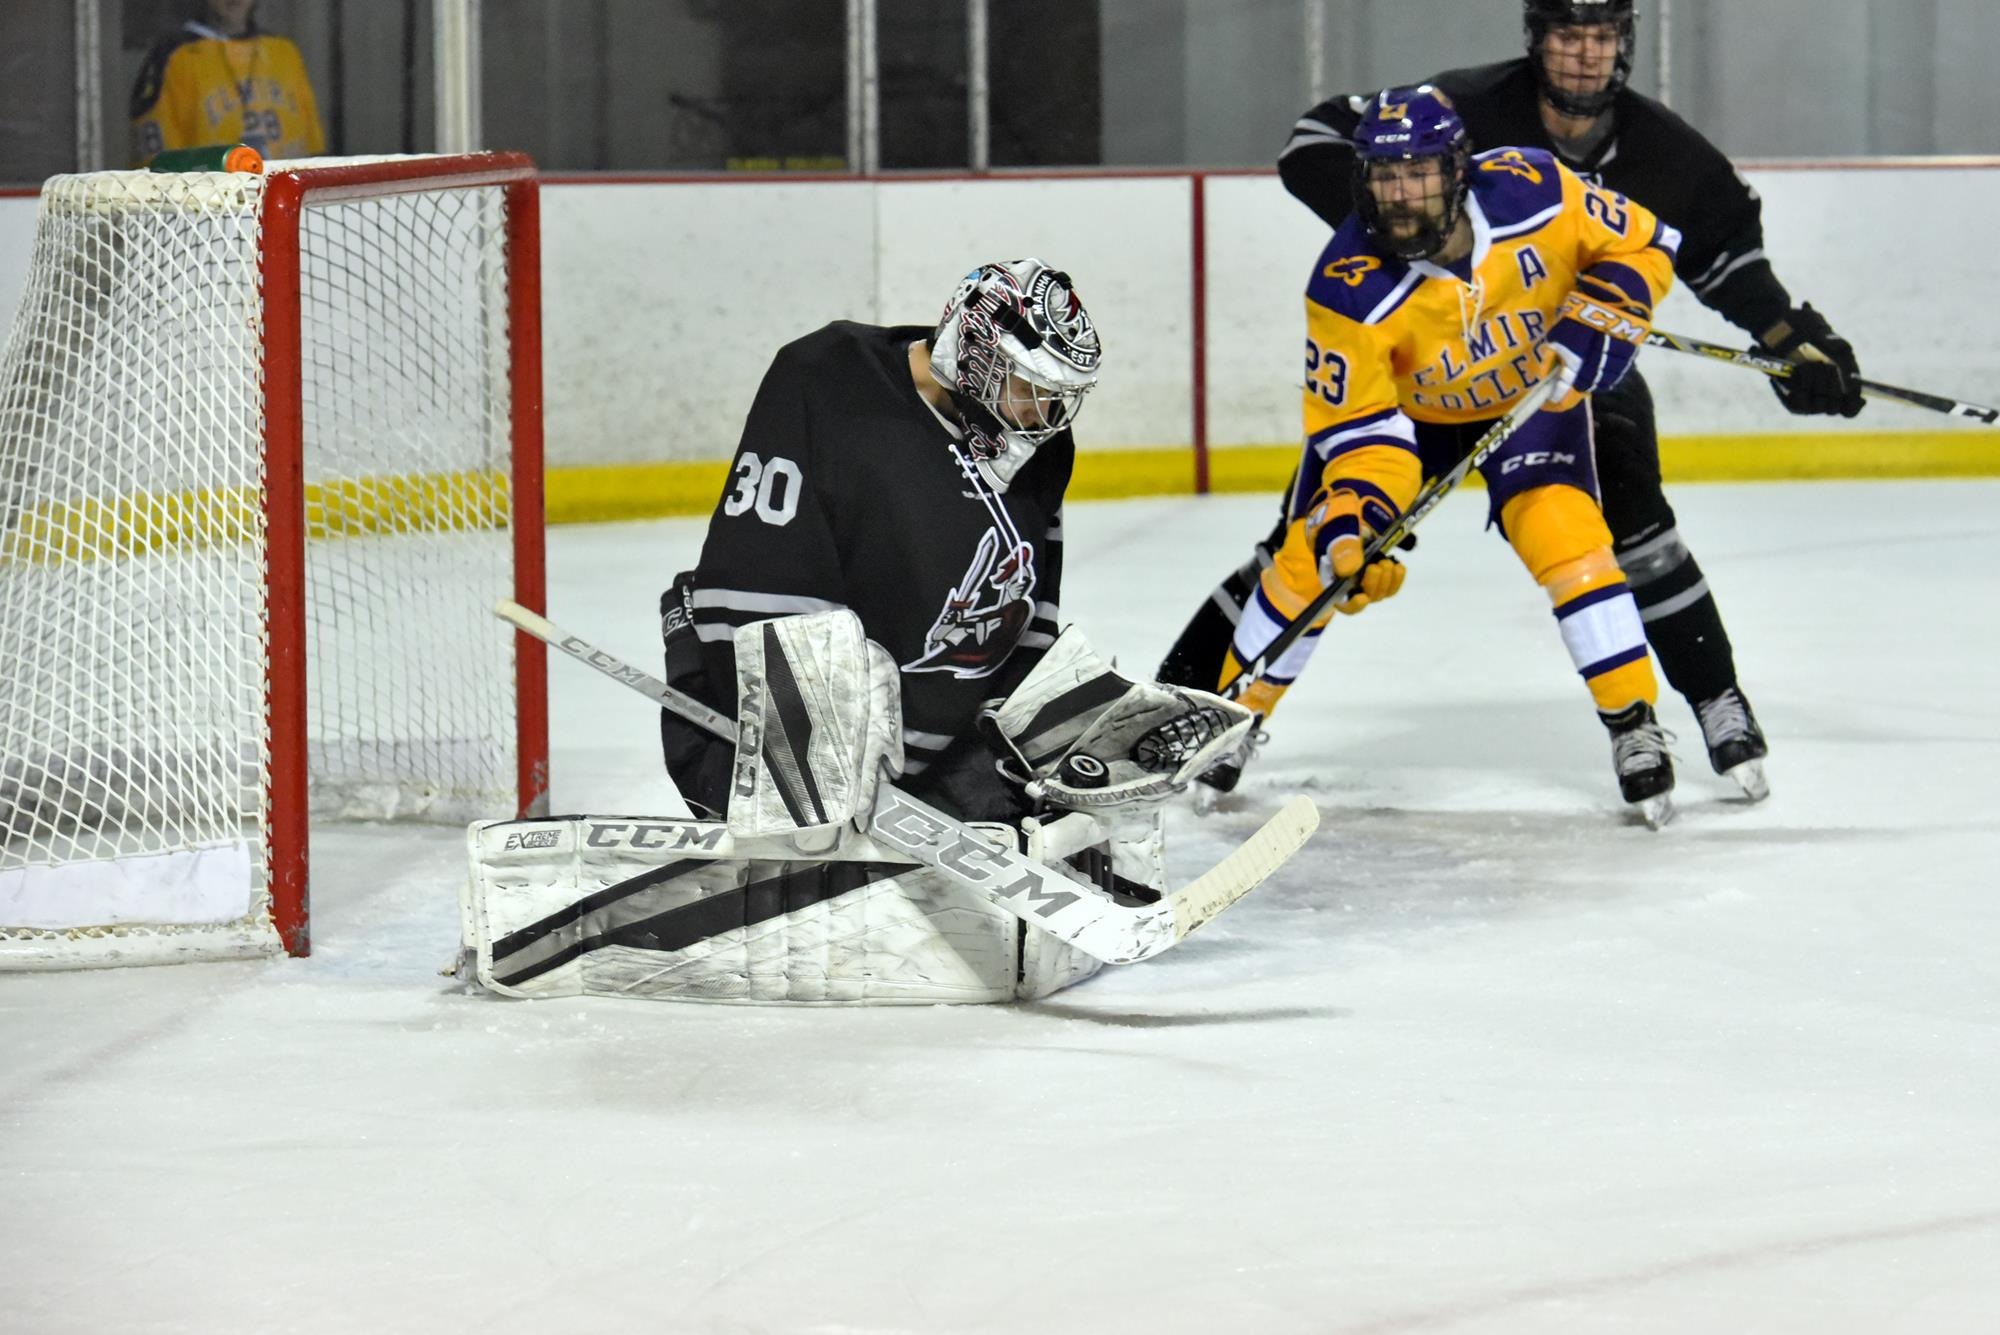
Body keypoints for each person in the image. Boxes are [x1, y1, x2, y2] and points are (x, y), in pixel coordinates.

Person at [1165, 0, 1859, 803]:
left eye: (1602, 37)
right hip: (1415, 368)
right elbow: (1316, 143)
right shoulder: (1461, 109)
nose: (1584, 55)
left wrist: (1790, 336)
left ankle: (1707, 700)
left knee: (1631, 525)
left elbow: (1712, 252)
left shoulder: (1659, 154)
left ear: (1623, 45)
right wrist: (1398, 228)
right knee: (1315, 543)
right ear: (1537, 39)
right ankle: (1192, 708)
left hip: (1559, 359)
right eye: (1568, 34)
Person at [1199, 85, 1683, 825]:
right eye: (1384, 175)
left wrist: (1607, 308)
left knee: (1572, 544)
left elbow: (1643, 242)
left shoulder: (1536, 189)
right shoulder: (1345, 286)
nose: (1399, 194)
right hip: (1411, 424)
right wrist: (1356, 518)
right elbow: (1360, 430)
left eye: (1418, 173)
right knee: (1312, 561)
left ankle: (1634, 724)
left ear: (1458, 170)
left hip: (1532, 407)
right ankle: (1233, 717)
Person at [660, 259, 1104, 823]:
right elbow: (755, 573)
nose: (1046, 416)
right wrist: (827, 711)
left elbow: (1032, 607)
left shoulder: (1043, 448)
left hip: (938, 760)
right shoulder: (829, 379)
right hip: (815, 741)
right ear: (974, 358)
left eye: (1059, 396)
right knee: (801, 834)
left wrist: (1044, 726)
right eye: (1031, 389)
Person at [130, 0, 326, 166]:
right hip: (210, 205)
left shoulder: (284, 52)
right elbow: (158, 165)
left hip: (282, 200)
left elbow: (312, 150)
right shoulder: (173, 58)